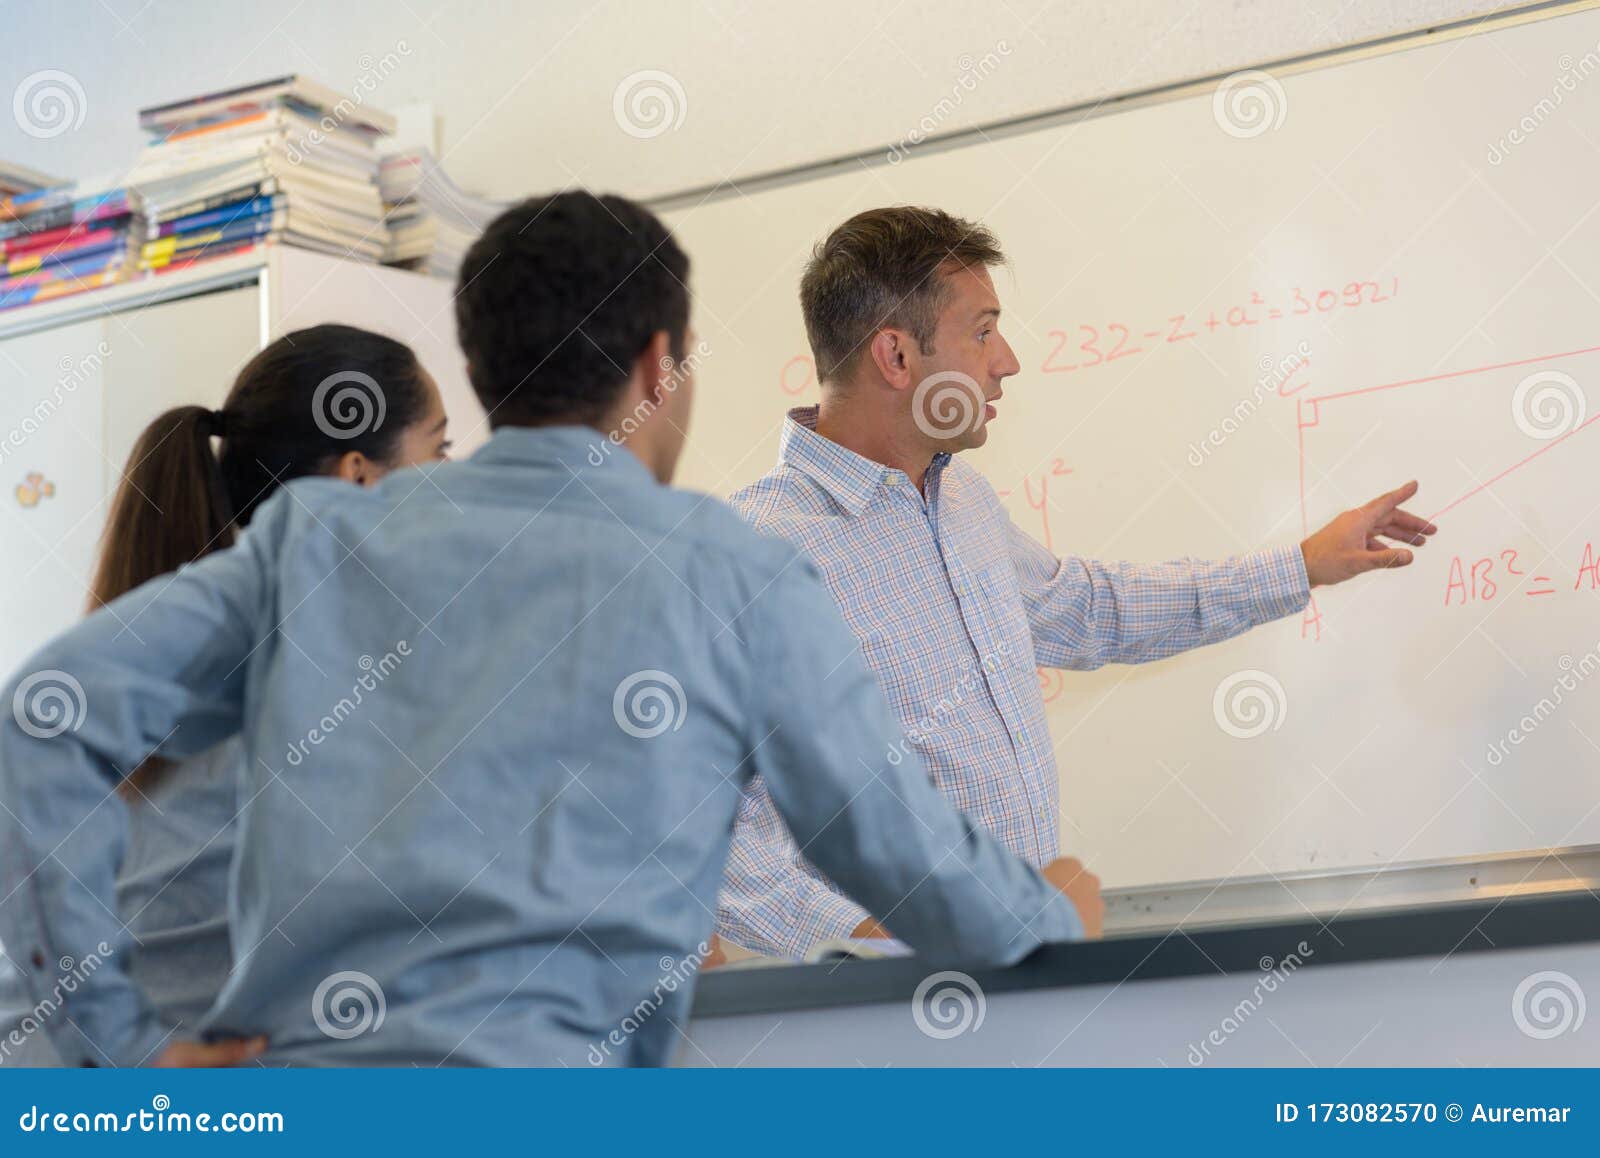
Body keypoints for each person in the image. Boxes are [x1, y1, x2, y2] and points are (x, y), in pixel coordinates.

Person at [0, 192, 1099, 1069]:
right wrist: (1042, 909)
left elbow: (41, 724)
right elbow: (888, 848)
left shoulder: (314, 542)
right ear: (655, 368)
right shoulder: (729, 567)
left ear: (479, 373)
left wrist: (120, 1043)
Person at [716, 206, 1438, 957]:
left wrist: (1300, 566)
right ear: (896, 358)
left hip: (1021, 984)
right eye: (984, 331)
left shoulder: (959, 502)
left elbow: (1088, 611)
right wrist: (887, 946)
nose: (1007, 362)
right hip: (886, 1027)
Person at [0, 324, 451, 1067]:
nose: (457, 489)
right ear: (360, 481)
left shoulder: (182, 644)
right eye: (440, 451)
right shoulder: (307, 680)